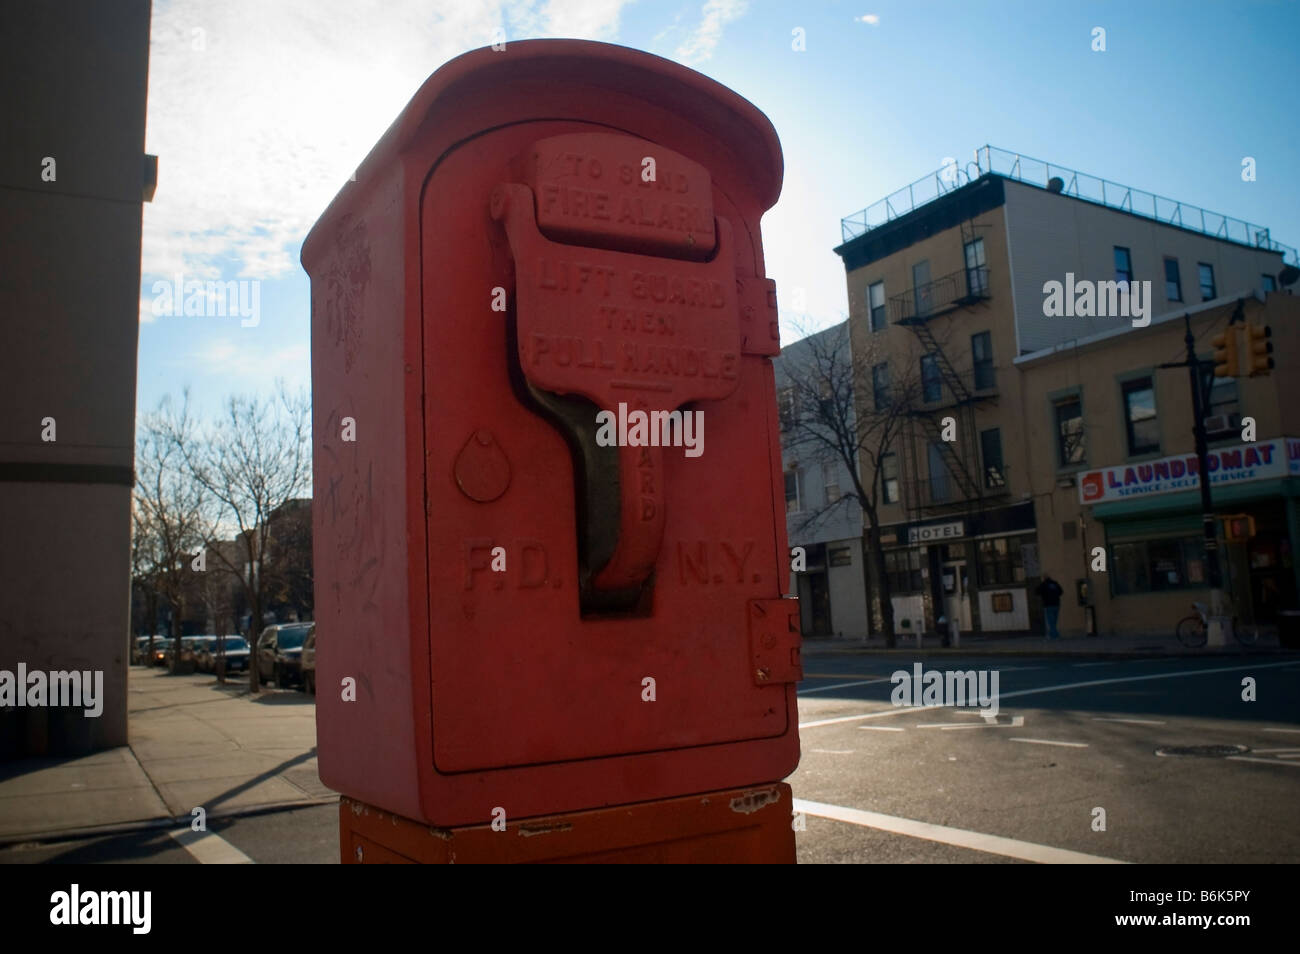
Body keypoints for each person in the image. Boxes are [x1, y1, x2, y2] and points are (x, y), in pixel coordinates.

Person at [1037, 575, 1064, 639]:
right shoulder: (1055, 583)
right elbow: (1061, 592)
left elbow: (1037, 591)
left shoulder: (1044, 584)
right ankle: (1052, 634)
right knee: (1054, 621)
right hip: (1056, 604)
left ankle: (1055, 635)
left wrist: (1043, 596)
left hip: (1048, 605)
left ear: (1044, 578)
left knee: (1050, 621)